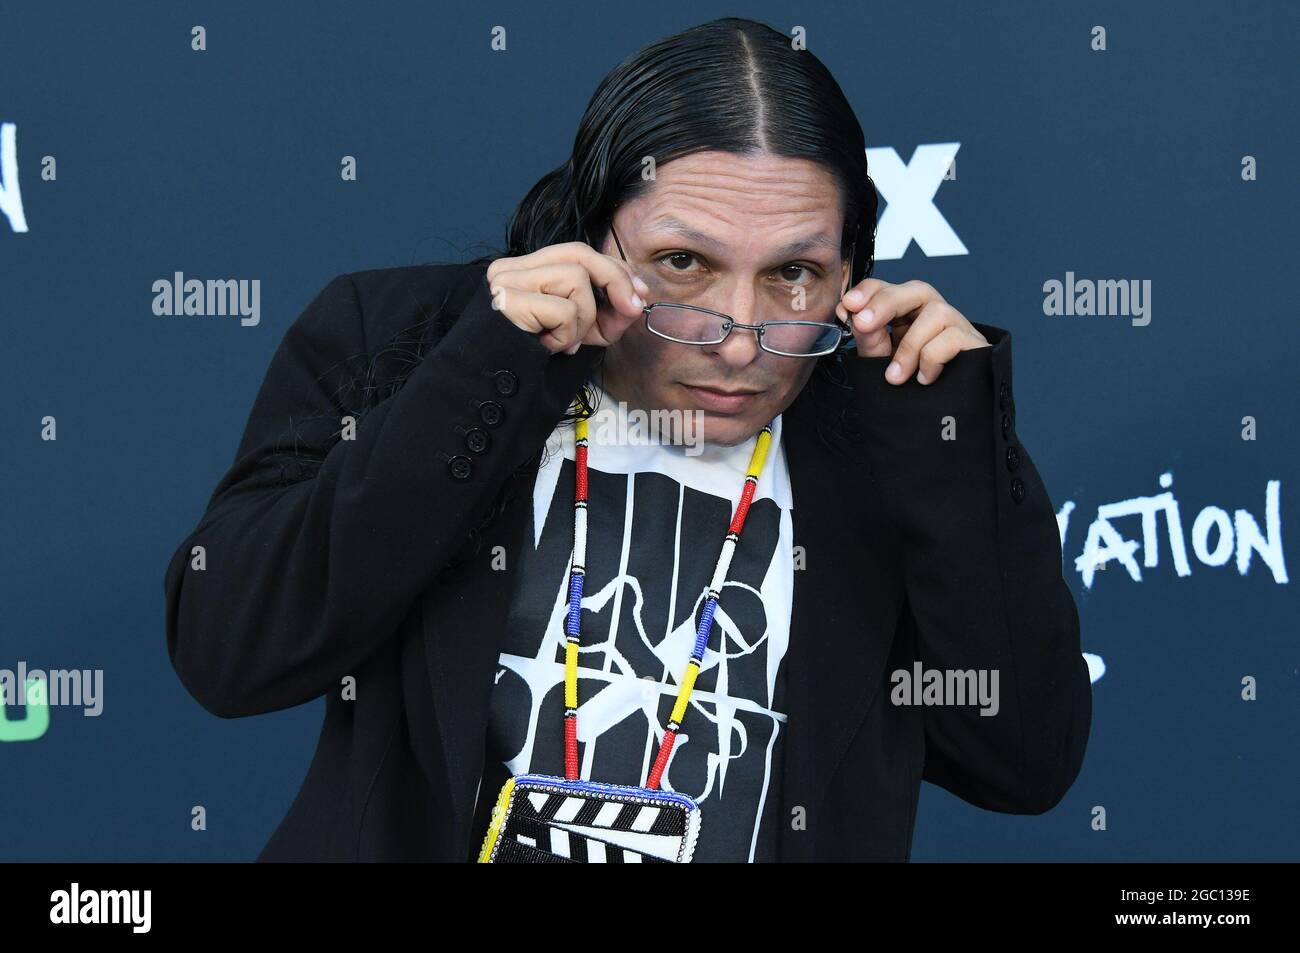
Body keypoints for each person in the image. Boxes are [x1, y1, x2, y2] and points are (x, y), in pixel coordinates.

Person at [163, 16, 1090, 863]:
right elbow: (228, 649)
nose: (737, 338)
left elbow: (1023, 760)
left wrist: (946, 445)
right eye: (684, 263)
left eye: (795, 274)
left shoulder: (891, 435)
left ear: (853, 271)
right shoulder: (406, 337)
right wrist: (482, 369)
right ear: (594, 231)